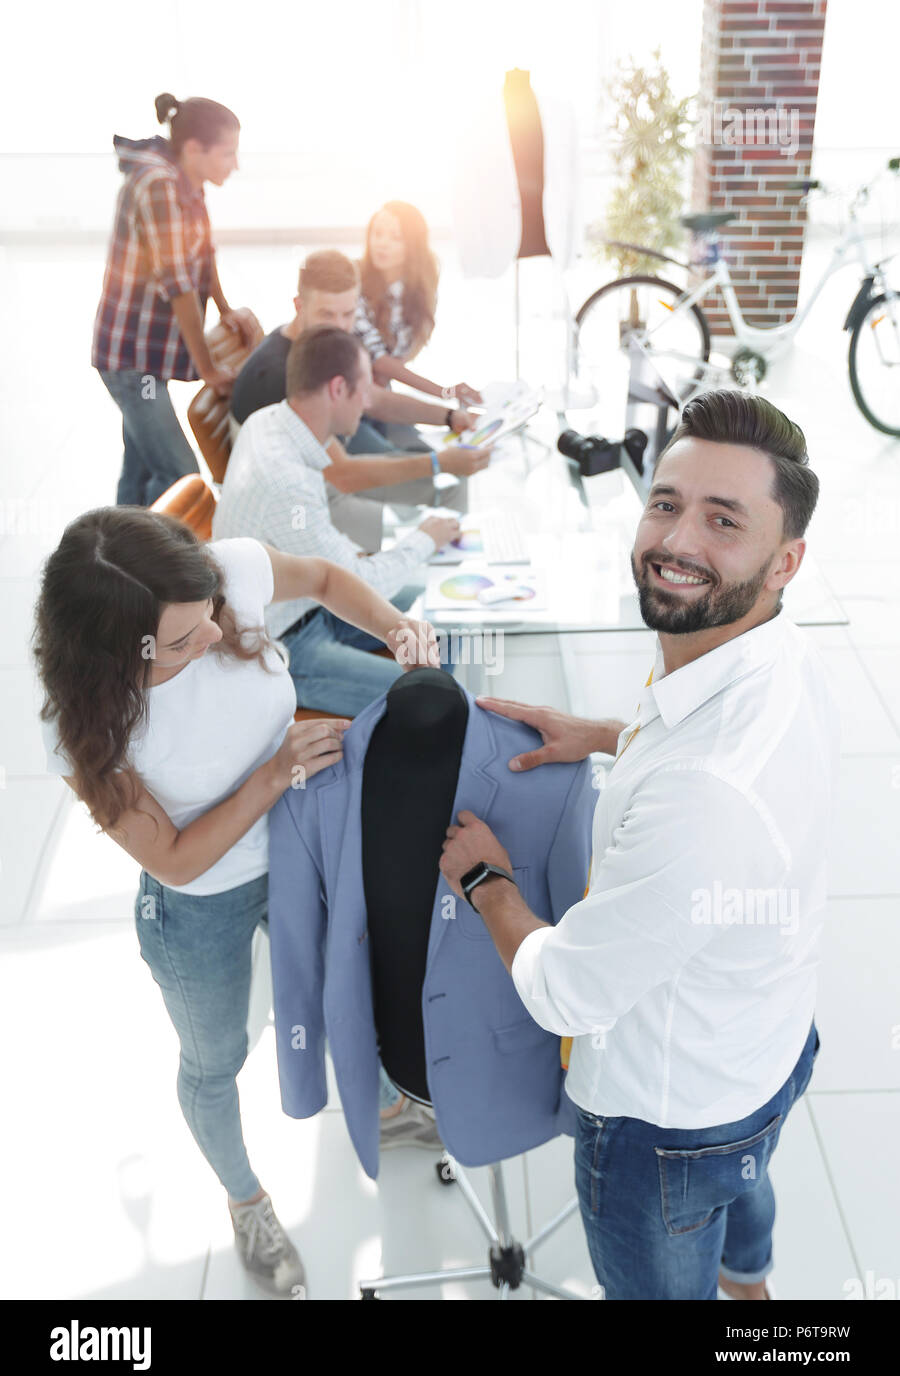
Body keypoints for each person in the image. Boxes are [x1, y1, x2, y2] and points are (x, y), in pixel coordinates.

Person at [438, 390, 841, 1301]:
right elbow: (713, 781)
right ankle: (755, 1298)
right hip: (770, 1047)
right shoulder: (783, 654)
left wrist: (489, 880)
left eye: (723, 520)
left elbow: (565, 992)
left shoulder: (704, 801)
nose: (677, 540)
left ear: (786, 561)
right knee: (748, 1206)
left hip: (667, 1132)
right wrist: (609, 733)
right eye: (666, 502)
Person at [34, 506, 440, 1297]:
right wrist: (273, 773)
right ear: (117, 658)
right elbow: (177, 861)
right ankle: (246, 1198)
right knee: (216, 1059)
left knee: (340, 991)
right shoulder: (86, 725)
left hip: (298, 847)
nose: (216, 638)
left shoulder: (222, 580)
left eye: (208, 619)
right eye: (184, 644)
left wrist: (395, 627)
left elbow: (322, 578)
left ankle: (388, 1111)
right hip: (201, 902)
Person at [214, 326, 474, 721]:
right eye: (364, 389)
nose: (368, 403)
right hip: (284, 643)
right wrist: (424, 538)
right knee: (436, 699)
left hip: (310, 605)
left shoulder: (269, 421)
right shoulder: (287, 483)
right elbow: (361, 582)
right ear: (337, 389)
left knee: (453, 627)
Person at [230, 250, 487, 534]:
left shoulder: (318, 344)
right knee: (446, 483)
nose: (341, 327)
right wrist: (438, 463)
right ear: (298, 305)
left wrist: (449, 416)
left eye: (348, 314)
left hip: (332, 466)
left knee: (431, 466)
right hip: (305, 504)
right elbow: (343, 475)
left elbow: (372, 398)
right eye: (327, 314)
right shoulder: (281, 376)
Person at [93, 92, 258, 507]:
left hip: (149, 357)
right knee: (180, 474)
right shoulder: (160, 186)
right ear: (193, 149)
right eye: (228, 154)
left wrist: (224, 308)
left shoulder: (187, 180)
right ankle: (154, 562)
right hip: (134, 364)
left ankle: (118, 560)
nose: (235, 165)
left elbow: (202, 255)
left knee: (143, 465)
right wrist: (208, 368)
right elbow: (180, 283)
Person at [355, 202, 482, 447]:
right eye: (377, 234)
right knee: (396, 459)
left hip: (379, 398)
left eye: (396, 237)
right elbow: (379, 361)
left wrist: (447, 394)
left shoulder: (414, 294)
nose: (382, 243)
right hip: (351, 398)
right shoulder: (354, 278)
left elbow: (394, 362)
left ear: (412, 245)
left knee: (428, 450)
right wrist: (444, 392)